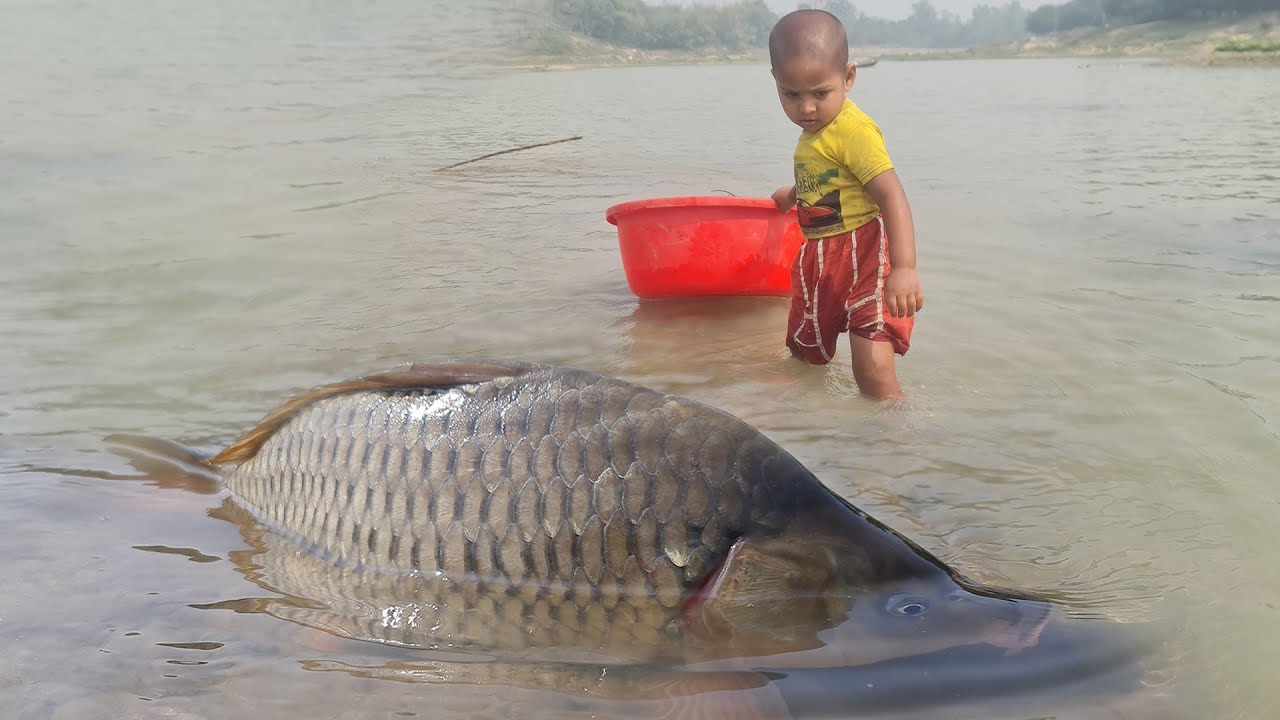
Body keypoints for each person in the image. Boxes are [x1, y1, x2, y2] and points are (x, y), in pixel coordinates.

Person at [767, 9, 923, 401]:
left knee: (871, 366)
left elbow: (891, 196)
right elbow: (829, 179)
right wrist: (793, 194)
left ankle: (894, 429)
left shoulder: (855, 131)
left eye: (820, 93)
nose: (806, 108)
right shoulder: (814, 132)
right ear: (776, 83)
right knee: (803, 354)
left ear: (848, 78)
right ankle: (807, 421)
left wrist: (905, 268)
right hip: (819, 262)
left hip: (864, 255)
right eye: (792, 95)